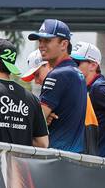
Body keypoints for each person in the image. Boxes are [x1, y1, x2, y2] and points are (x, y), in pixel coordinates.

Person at [27, 18, 87, 153]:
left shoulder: (58, 74)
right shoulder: (76, 71)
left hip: (55, 158)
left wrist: (41, 119)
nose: (41, 45)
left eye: (47, 40)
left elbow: (36, 122)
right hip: (71, 156)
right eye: (40, 40)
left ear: (64, 44)